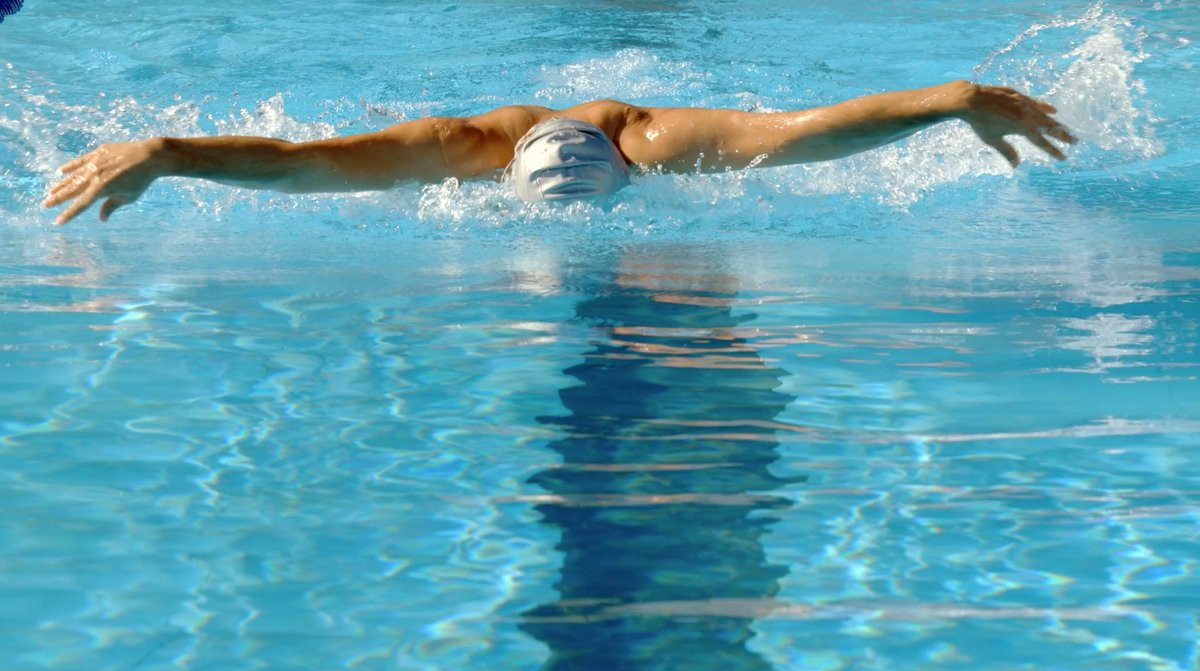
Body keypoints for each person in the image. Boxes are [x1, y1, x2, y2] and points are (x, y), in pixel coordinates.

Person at [43, 80, 1076, 225]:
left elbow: (815, 131)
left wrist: (955, 103)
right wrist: (165, 149)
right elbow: (305, 160)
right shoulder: (460, 146)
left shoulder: (661, 142)